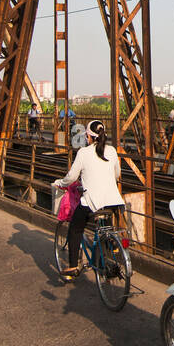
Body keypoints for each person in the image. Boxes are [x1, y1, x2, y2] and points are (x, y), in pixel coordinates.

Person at [52, 119, 124, 280]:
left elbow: (71, 178)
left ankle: (72, 267)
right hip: (113, 201)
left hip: (92, 202)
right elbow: (117, 174)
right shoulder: (112, 150)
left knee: (75, 229)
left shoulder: (83, 153)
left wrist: (60, 183)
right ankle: (111, 245)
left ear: (88, 136)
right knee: (104, 228)